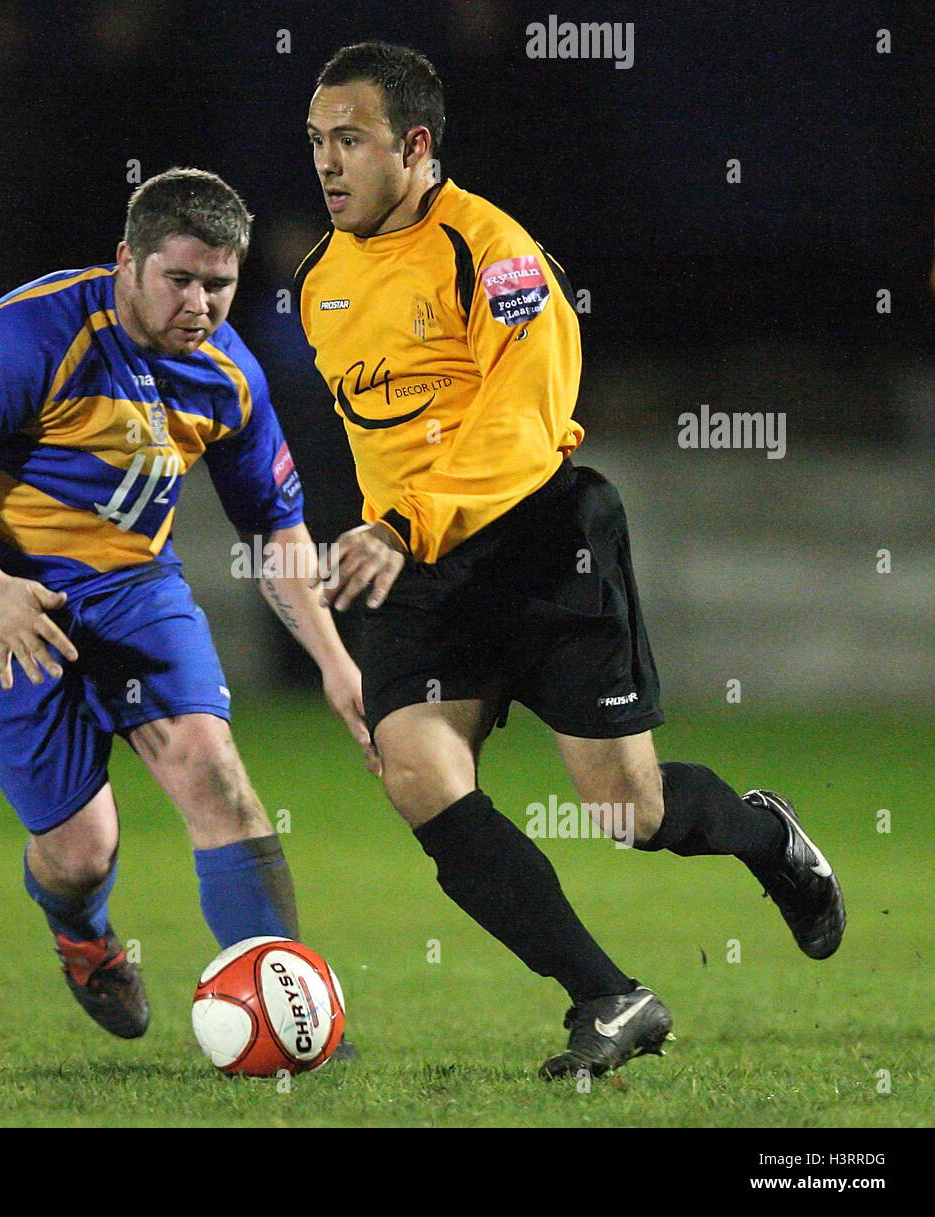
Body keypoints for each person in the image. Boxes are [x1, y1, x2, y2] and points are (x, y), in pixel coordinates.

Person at [295, 42, 845, 1079]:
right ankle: (606, 994)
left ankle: (766, 837)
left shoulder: (492, 256)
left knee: (626, 811)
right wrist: (389, 532)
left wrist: (402, 523)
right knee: (416, 769)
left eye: (351, 140)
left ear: (413, 147)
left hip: (543, 544)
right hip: (419, 563)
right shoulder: (322, 277)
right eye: (318, 142)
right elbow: (387, 437)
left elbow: (520, 422)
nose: (327, 163)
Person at [0, 167, 373, 1042]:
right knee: (80, 850)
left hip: (135, 588)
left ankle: (282, 1015)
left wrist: (335, 660)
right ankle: (80, 931)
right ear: (128, 261)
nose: (199, 303)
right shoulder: (31, 335)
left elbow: (279, 527)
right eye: (178, 278)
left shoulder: (232, 373)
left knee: (210, 767)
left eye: (218, 284)